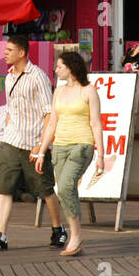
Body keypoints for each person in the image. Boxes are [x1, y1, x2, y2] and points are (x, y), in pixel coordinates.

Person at [0, 35, 65, 251]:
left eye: (9, 50)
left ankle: (58, 229)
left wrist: (41, 144)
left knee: (45, 189)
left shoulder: (38, 77)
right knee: (4, 188)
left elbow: (48, 114)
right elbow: (11, 108)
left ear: (22, 52)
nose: (5, 53)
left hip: (33, 143)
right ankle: (0, 236)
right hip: (11, 140)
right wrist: (6, 130)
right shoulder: (8, 77)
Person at [33, 52, 104, 257]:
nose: (55, 70)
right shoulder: (59, 91)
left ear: (71, 67)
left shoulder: (89, 91)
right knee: (64, 189)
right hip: (60, 147)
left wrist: (100, 154)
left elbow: (96, 123)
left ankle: (76, 234)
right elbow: (52, 123)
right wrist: (41, 152)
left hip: (81, 146)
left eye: (59, 66)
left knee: (65, 186)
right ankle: (76, 235)